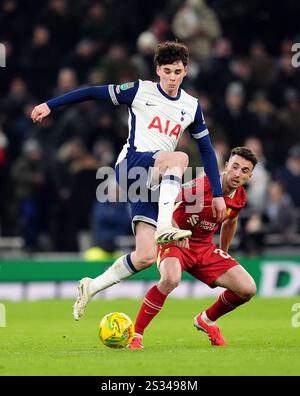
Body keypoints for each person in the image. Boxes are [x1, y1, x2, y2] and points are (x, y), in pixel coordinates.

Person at [31, 41, 226, 320]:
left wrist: (217, 194)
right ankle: (164, 226)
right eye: (167, 71)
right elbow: (92, 92)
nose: (172, 77)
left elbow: (207, 150)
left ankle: (91, 286)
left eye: (178, 71)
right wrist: (50, 105)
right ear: (157, 70)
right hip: (131, 166)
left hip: (156, 179)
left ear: (186, 71)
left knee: (146, 255)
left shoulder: (191, 106)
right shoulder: (139, 90)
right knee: (180, 159)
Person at [128, 147, 258, 349]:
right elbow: (165, 203)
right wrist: (174, 231)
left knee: (248, 289)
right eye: (234, 167)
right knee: (170, 279)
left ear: (250, 176)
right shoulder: (201, 185)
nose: (237, 174)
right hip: (176, 240)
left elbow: (231, 221)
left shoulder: (239, 196)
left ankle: (206, 320)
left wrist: (223, 250)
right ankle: (136, 335)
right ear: (226, 167)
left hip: (204, 247)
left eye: (244, 170)